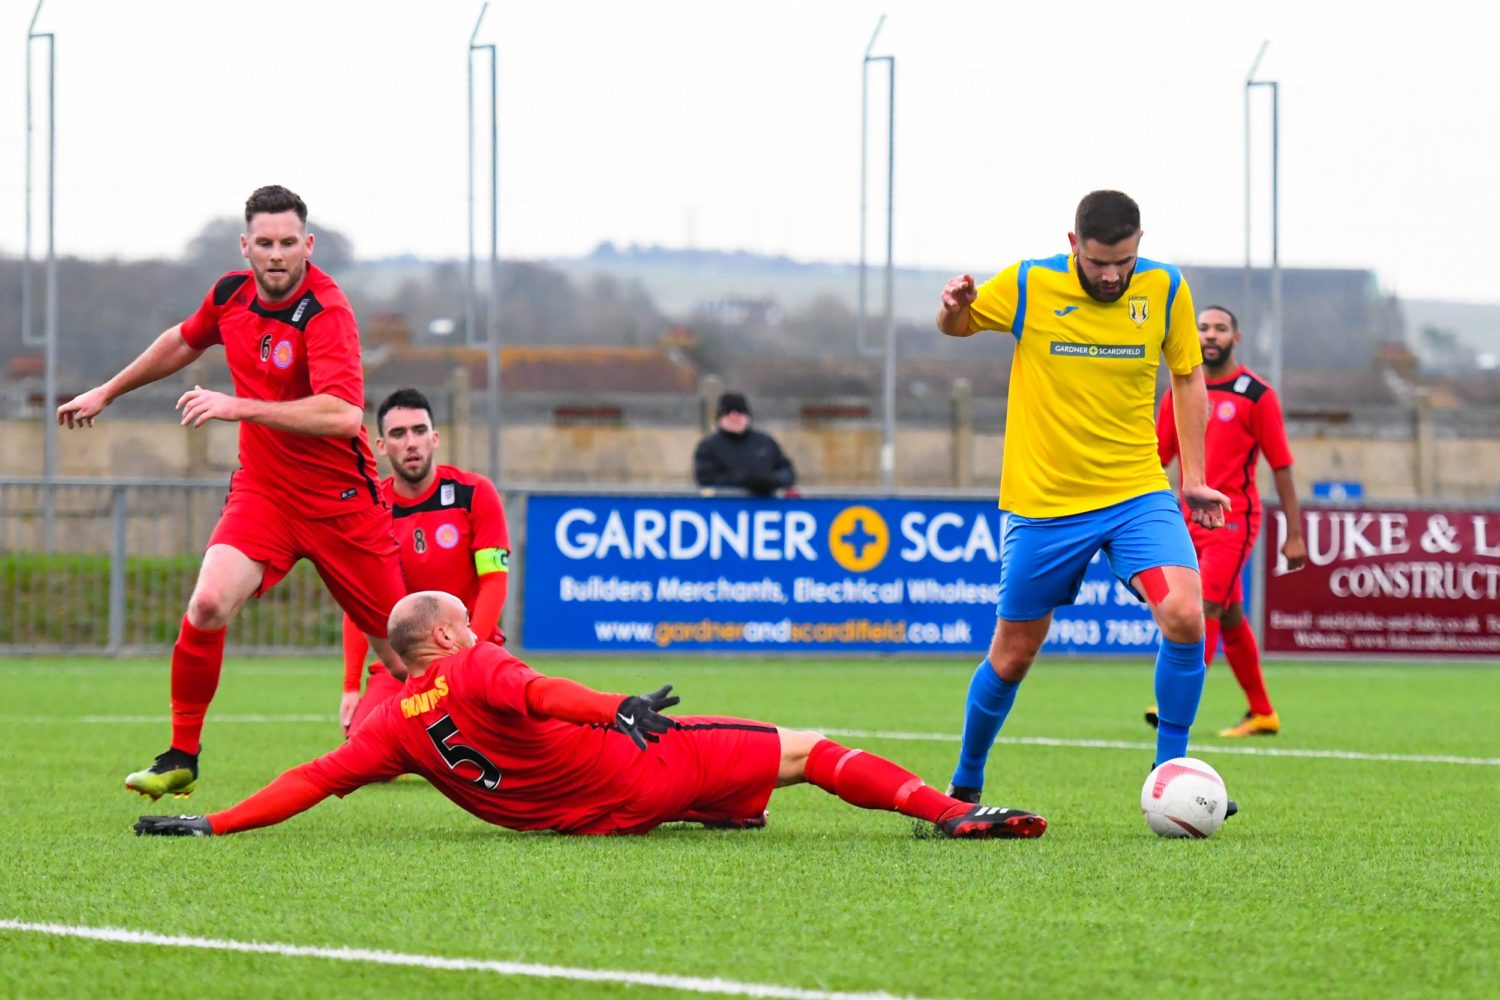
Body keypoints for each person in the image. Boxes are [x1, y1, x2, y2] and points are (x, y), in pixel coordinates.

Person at [133, 591, 1047, 841]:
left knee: (740, 793)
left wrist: (216, 819)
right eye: (459, 616)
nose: (472, 624)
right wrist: (619, 709)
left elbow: (308, 781)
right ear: (443, 637)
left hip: (577, 820)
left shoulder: (390, 726)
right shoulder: (477, 661)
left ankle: (723, 808)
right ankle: (951, 813)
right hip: (631, 777)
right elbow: (540, 695)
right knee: (807, 749)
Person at [56, 185, 408, 801]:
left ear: (308, 245)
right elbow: (181, 340)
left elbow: (343, 416)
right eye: (265, 243)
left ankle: (510, 741)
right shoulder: (230, 295)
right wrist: (106, 392)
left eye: (288, 243)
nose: (276, 254)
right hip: (265, 495)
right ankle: (181, 756)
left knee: (405, 659)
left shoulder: (327, 310)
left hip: (342, 504)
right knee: (208, 603)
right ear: (245, 245)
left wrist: (236, 406)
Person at [935, 190, 1232, 806]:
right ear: (1074, 245)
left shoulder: (1166, 289)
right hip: (1044, 504)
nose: (1110, 275)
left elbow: (1186, 375)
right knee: (1014, 654)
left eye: (1122, 262)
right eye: (1098, 262)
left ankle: (1170, 775)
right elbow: (959, 327)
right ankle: (966, 778)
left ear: (1138, 247)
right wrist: (953, 309)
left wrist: (1193, 476)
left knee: (1184, 613)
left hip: (1135, 493)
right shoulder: (1028, 283)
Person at [1152, 305, 1307, 737]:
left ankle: (1175, 701)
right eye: (1203, 328)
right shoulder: (1180, 393)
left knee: (1204, 609)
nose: (1210, 335)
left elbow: (1282, 467)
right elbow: (1156, 459)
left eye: (1220, 328)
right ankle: (1262, 712)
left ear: (1235, 338)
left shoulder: (1256, 394)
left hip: (1233, 522)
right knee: (1232, 618)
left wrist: (1294, 534)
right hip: (1186, 521)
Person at [340, 387, 512, 735]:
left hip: (475, 653)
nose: (411, 442)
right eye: (398, 434)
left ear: (435, 438)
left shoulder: (474, 493)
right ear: (381, 447)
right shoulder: (371, 512)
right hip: (408, 664)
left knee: (516, 738)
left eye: (419, 431)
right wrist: (350, 686)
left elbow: (494, 580)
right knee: (363, 741)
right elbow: (358, 604)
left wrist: (468, 655)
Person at [692, 391, 796, 497]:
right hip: (726, 507)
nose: (734, 416)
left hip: (767, 508)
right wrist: (742, 481)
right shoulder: (708, 447)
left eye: (739, 411)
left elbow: (787, 472)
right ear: (720, 417)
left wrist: (772, 481)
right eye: (728, 412)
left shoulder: (765, 442)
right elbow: (706, 478)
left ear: (747, 416)